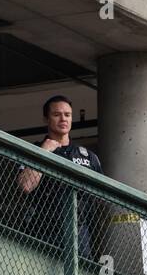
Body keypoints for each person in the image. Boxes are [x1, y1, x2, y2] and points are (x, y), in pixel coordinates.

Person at [16, 95, 103, 258]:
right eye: (57, 115)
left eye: (67, 115)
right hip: (42, 231)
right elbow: (26, 185)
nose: (63, 119)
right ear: (46, 119)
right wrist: (43, 152)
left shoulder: (88, 156)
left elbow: (102, 199)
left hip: (80, 233)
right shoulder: (34, 149)